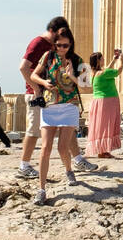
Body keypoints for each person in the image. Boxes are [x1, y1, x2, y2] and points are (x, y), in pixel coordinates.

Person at [28, 29, 87, 205]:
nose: (61, 48)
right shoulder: (47, 56)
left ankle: (69, 170)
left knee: (62, 147)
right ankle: (41, 190)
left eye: (65, 45)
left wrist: (72, 77)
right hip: (49, 106)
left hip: (69, 108)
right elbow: (33, 75)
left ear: (70, 45)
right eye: (58, 45)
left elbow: (87, 87)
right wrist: (43, 82)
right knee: (45, 148)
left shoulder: (78, 61)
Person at [17, 16, 70, 178]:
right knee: (33, 131)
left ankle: (77, 159)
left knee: (66, 126)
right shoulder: (38, 43)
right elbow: (23, 67)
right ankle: (24, 166)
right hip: (36, 95)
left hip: (49, 95)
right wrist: (36, 89)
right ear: (53, 31)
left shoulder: (50, 45)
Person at [87, 49, 123, 158]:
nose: (104, 59)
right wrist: (122, 60)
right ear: (98, 61)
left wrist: (113, 60)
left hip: (98, 102)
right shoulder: (104, 73)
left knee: (100, 126)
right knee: (107, 125)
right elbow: (118, 71)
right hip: (108, 101)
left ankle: (101, 150)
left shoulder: (94, 73)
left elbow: (106, 70)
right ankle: (104, 151)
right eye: (102, 58)